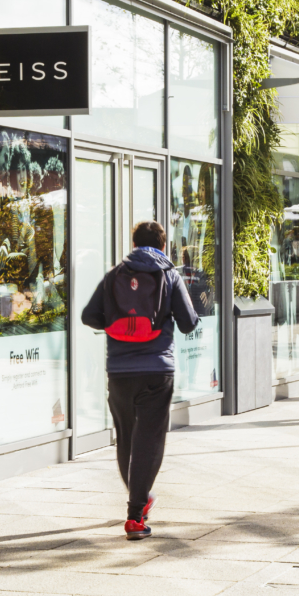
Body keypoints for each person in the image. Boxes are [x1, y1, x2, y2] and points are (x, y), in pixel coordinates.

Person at [81, 220, 201, 540]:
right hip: (157, 370)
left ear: (134, 243)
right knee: (150, 441)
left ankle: (140, 500)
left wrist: (119, 326)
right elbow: (188, 324)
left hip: (119, 371)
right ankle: (136, 515)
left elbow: (88, 316)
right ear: (163, 245)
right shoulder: (168, 274)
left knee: (126, 438)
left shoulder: (114, 275)